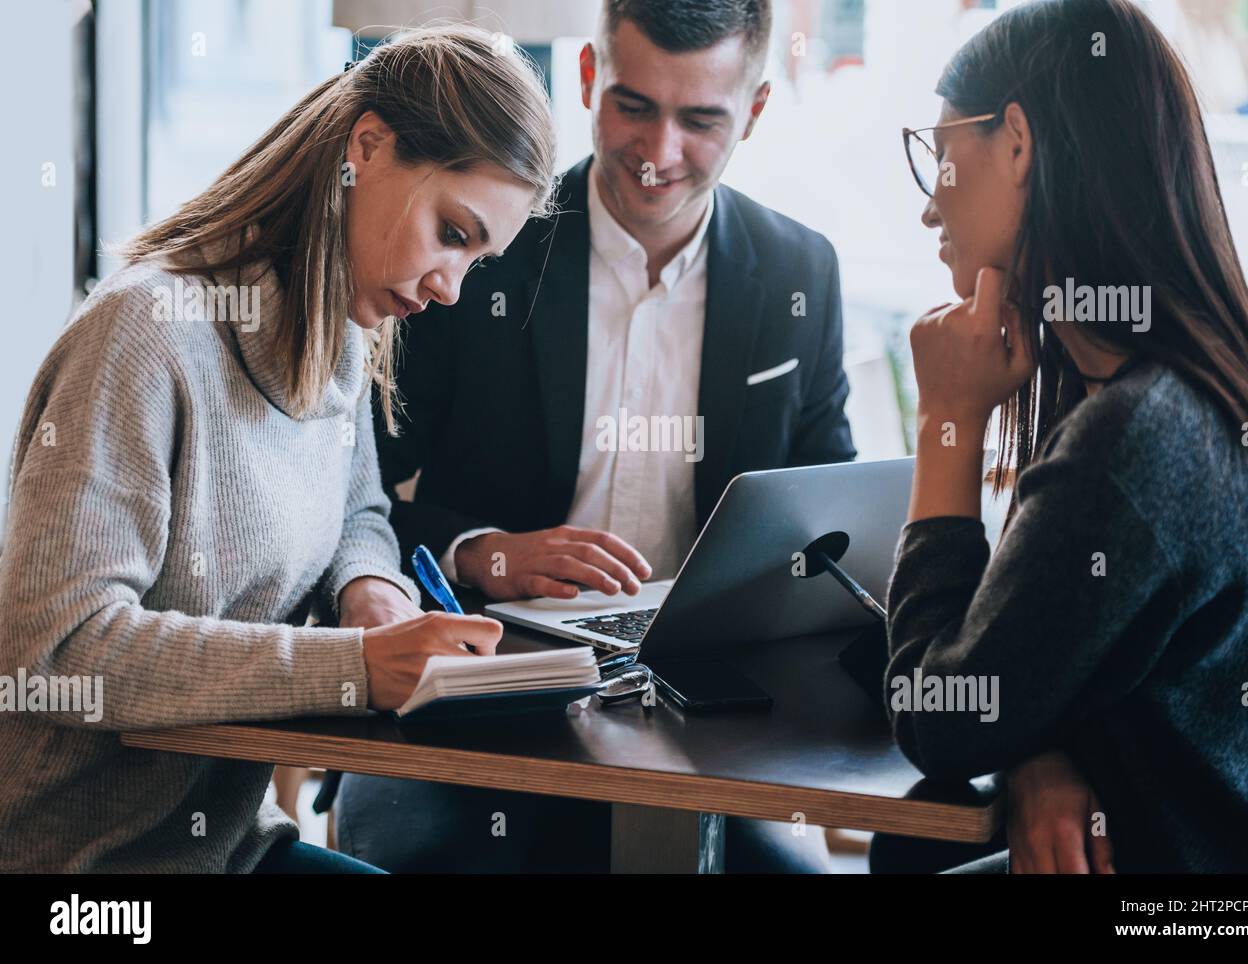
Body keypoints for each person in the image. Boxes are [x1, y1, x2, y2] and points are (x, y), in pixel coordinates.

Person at [0, 26, 555, 873]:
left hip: (230, 846)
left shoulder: (336, 329)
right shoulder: (145, 337)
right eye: (452, 233)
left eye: (477, 261)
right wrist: (352, 667)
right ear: (366, 148)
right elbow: (57, 647)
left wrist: (368, 589)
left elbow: (359, 511)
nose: (450, 289)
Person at [333, 0, 856, 874]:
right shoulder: (478, 239)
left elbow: (832, 530)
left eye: (700, 120)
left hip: (709, 724)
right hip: (484, 696)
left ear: (755, 112)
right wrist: (484, 554)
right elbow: (357, 501)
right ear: (587, 79)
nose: (659, 154)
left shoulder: (801, 273)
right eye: (634, 106)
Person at [881, 0, 1248, 873]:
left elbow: (939, 709)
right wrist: (1042, 751)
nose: (929, 211)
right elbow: (1041, 653)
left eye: (940, 154)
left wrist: (948, 424)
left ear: (1019, 143)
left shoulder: (1141, 435)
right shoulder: (1194, 386)